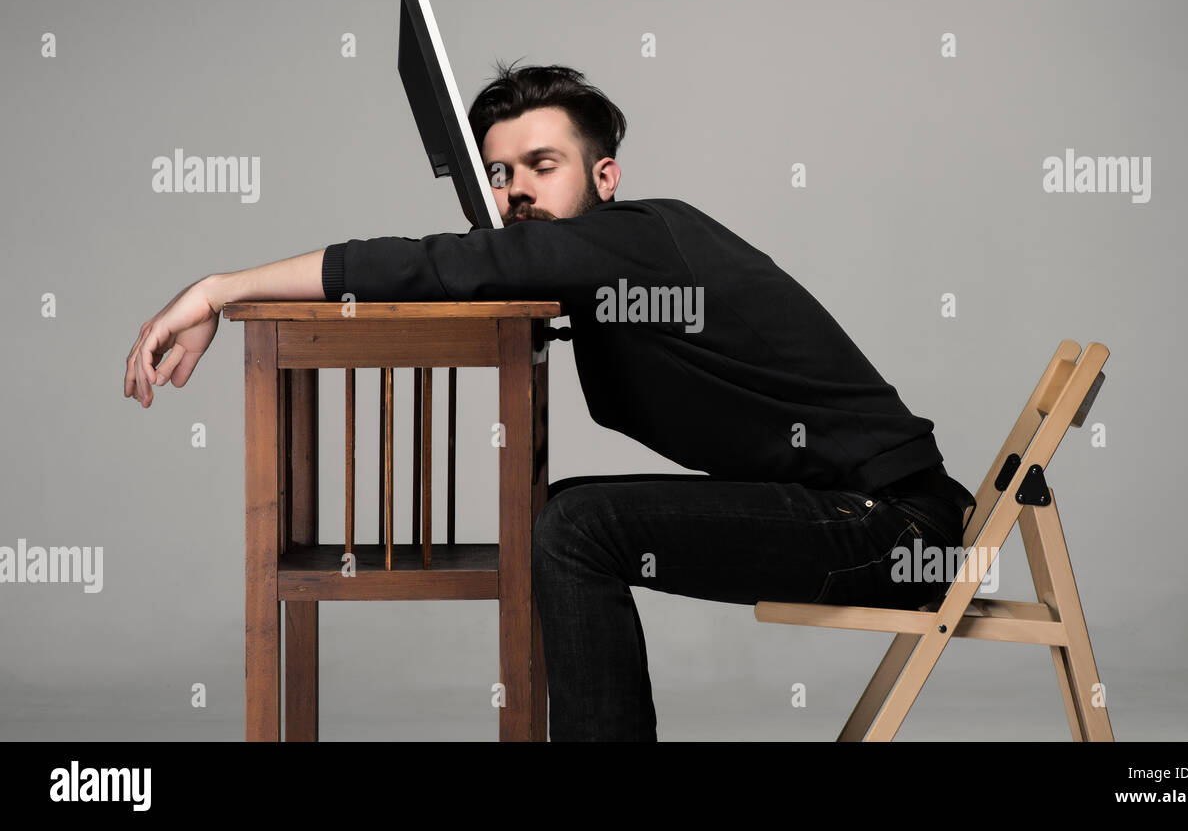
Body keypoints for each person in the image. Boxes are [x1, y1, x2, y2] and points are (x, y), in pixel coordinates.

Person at [122, 60, 976, 741]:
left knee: (573, 527)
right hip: (855, 511)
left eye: (542, 165)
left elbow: (441, 265)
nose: (515, 191)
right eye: (499, 174)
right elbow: (461, 271)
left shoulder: (640, 236)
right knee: (565, 515)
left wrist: (220, 291)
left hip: (899, 529)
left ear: (604, 177)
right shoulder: (592, 278)